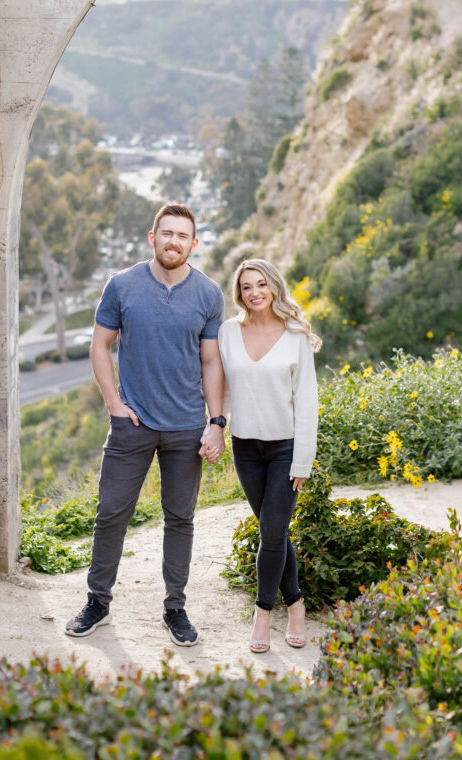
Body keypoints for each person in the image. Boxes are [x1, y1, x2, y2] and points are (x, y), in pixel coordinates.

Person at [65, 203, 226, 646]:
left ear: (194, 244)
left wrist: (216, 423)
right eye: (166, 233)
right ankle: (98, 601)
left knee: (180, 518)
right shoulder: (122, 286)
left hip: (185, 429)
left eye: (183, 236)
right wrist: (114, 403)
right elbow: (101, 348)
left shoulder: (209, 294)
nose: (173, 241)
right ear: (152, 237)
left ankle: (175, 608)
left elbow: (211, 361)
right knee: (111, 515)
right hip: (131, 425)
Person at [218, 258, 321, 653]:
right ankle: (296, 604)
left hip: (286, 448)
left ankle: (263, 615)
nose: (255, 292)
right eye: (247, 287)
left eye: (261, 284)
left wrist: (303, 460)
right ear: (239, 293)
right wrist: (215, 425)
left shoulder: (295, 334)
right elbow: (221, 385)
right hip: (245, 447)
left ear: (274, 287)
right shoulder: (229, 332)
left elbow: (307, 401)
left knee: (272, 531)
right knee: (273, 530)